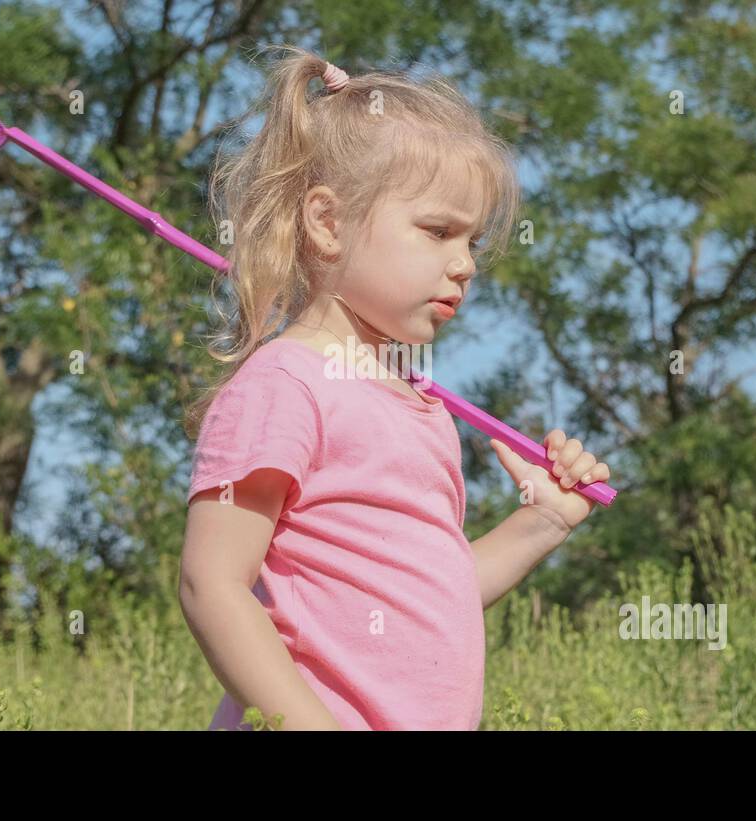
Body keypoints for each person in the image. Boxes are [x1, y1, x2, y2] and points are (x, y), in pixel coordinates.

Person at [180, 46, 611, 730]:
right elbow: (212, 583)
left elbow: (432, 594)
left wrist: (543, 521)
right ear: (327, 222)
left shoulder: (422, 406)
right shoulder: (284, 384)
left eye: (472, 242)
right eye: (438, 231)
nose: (465, 264)